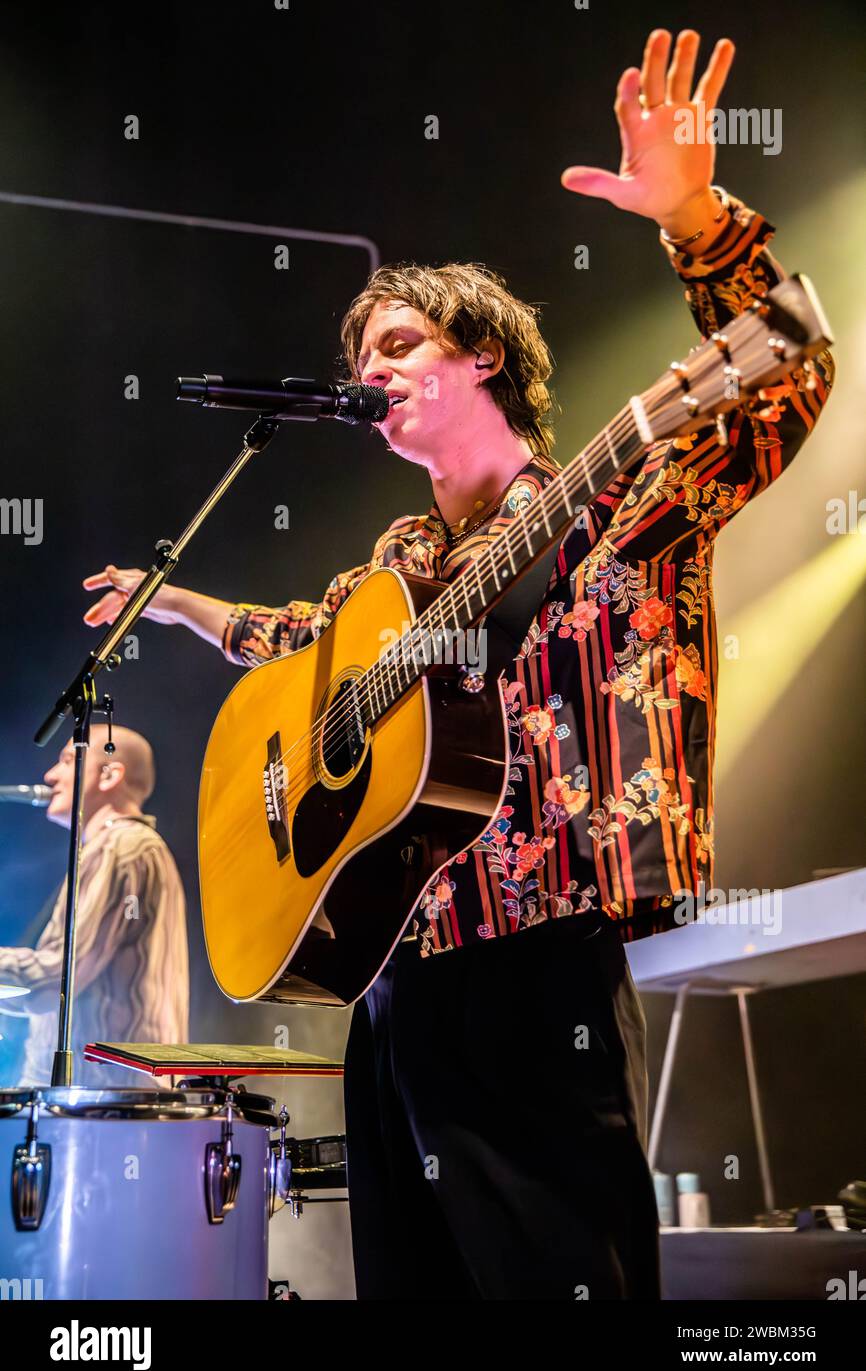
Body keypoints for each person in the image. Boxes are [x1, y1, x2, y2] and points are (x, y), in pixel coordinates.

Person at [80, 29, 833, 1296]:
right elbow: (301, 655)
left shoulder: (614, 504)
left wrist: (692, 214)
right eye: (359, 361)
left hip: (534, 958)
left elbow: (784, 377)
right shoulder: (387, 580)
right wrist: (190, 609)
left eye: (398, 345)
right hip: (394, 972)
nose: (369, 373)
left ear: (480, 354)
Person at [0, 725, 189, 1089]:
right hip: (101, 1098)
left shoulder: (123, 846)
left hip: (101, 1102)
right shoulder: (121, 847)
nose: (50, 775)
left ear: (109, 775)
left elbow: (55, 979)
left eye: (66, 761)